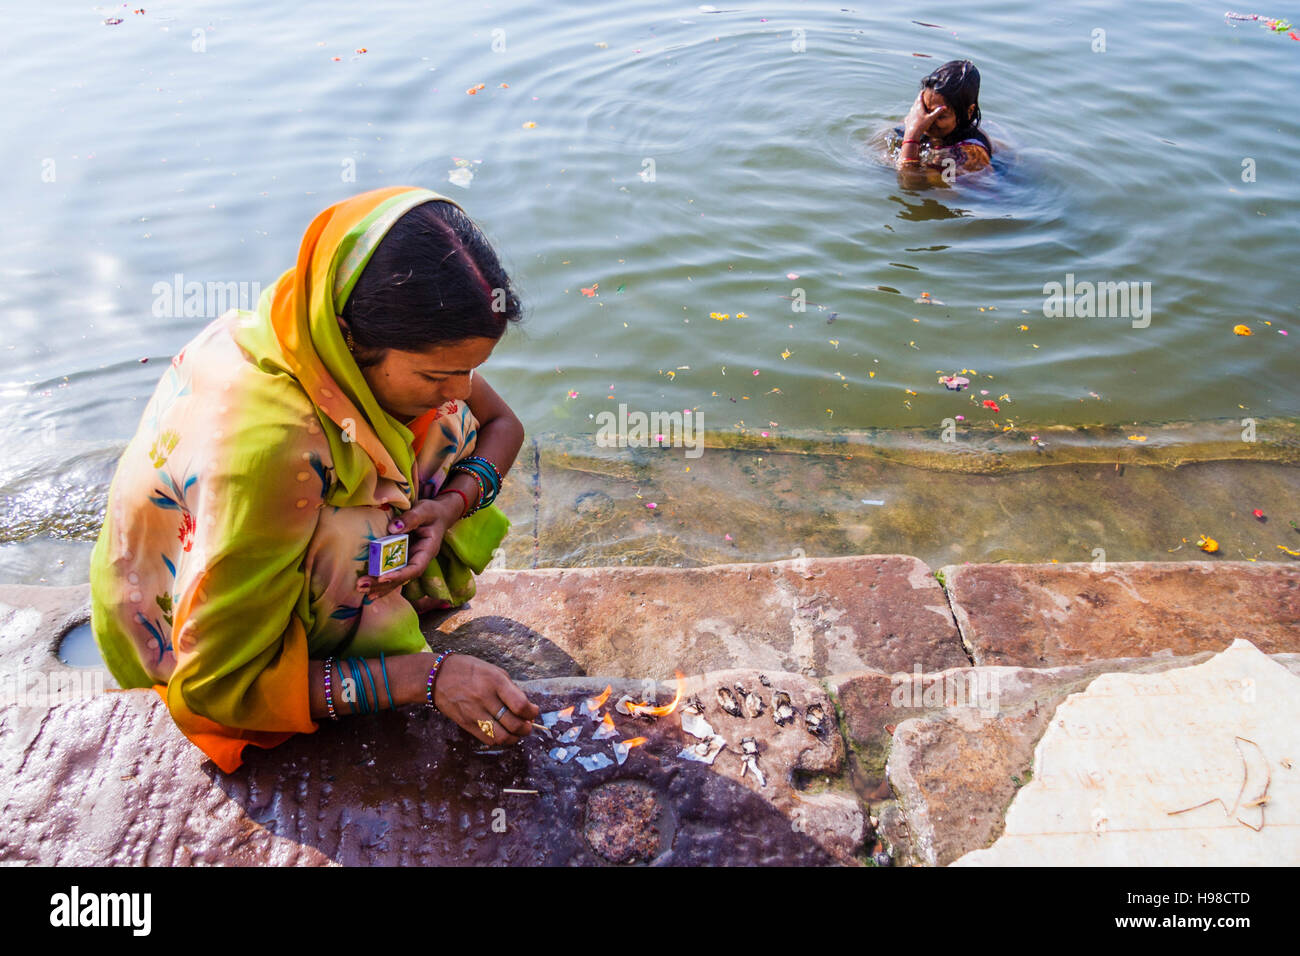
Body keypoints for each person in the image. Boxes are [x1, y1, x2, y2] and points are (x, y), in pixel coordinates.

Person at [89, 185, 540, 773]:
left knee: (443, 421)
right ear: (353, 338)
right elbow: (213, 689)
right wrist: (424, 679)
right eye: (437, 373)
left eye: (469, 370)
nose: (460, 389)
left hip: (253, 548)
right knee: (353, 532)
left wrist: (450, 506)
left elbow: (503, 422)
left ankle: (373, 595)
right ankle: (352, 630)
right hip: (196, 646)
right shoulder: (273, 450)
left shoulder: (313, 322)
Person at [893, 59, 993, 182]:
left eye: (940, 116)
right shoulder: (919, 123)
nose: (928, 121)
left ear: (969, 112)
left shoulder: (970, 155)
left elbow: (909, 185)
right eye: (926, 110)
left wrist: (912, 137)